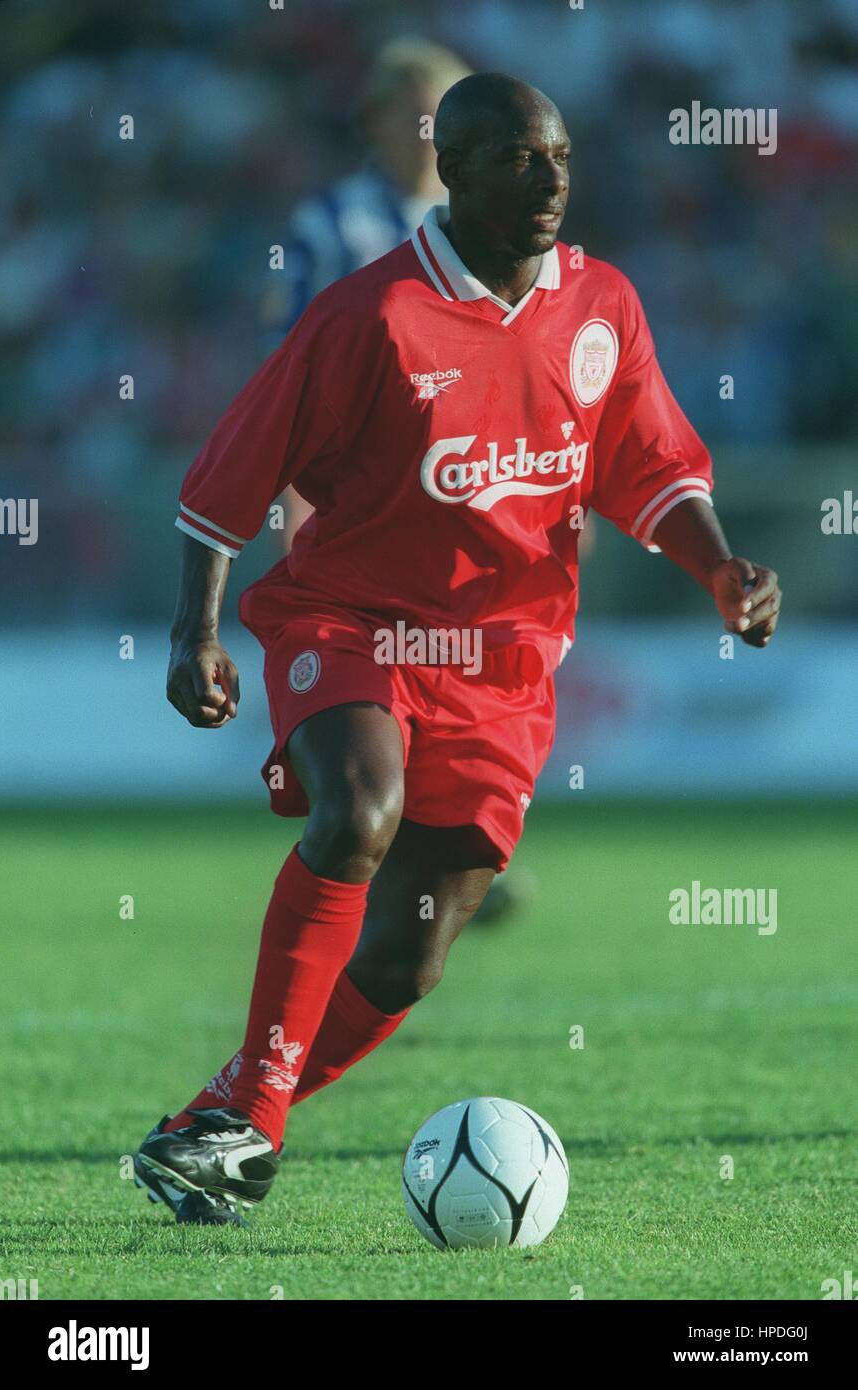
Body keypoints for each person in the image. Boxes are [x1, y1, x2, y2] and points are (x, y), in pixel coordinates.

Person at [134, 73, 781, 1225]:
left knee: (406, 961)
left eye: (562, 159)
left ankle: (215, 1120)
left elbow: (652, 468)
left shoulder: (600, 307)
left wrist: (719, 567)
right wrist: (196, 628)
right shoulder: (371, 317)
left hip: (506, 667)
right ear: (459, 171)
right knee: (359, 810)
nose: (550, 182)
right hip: (350, 621)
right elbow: (233, 469)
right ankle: (253, 1127)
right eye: (521, 160)